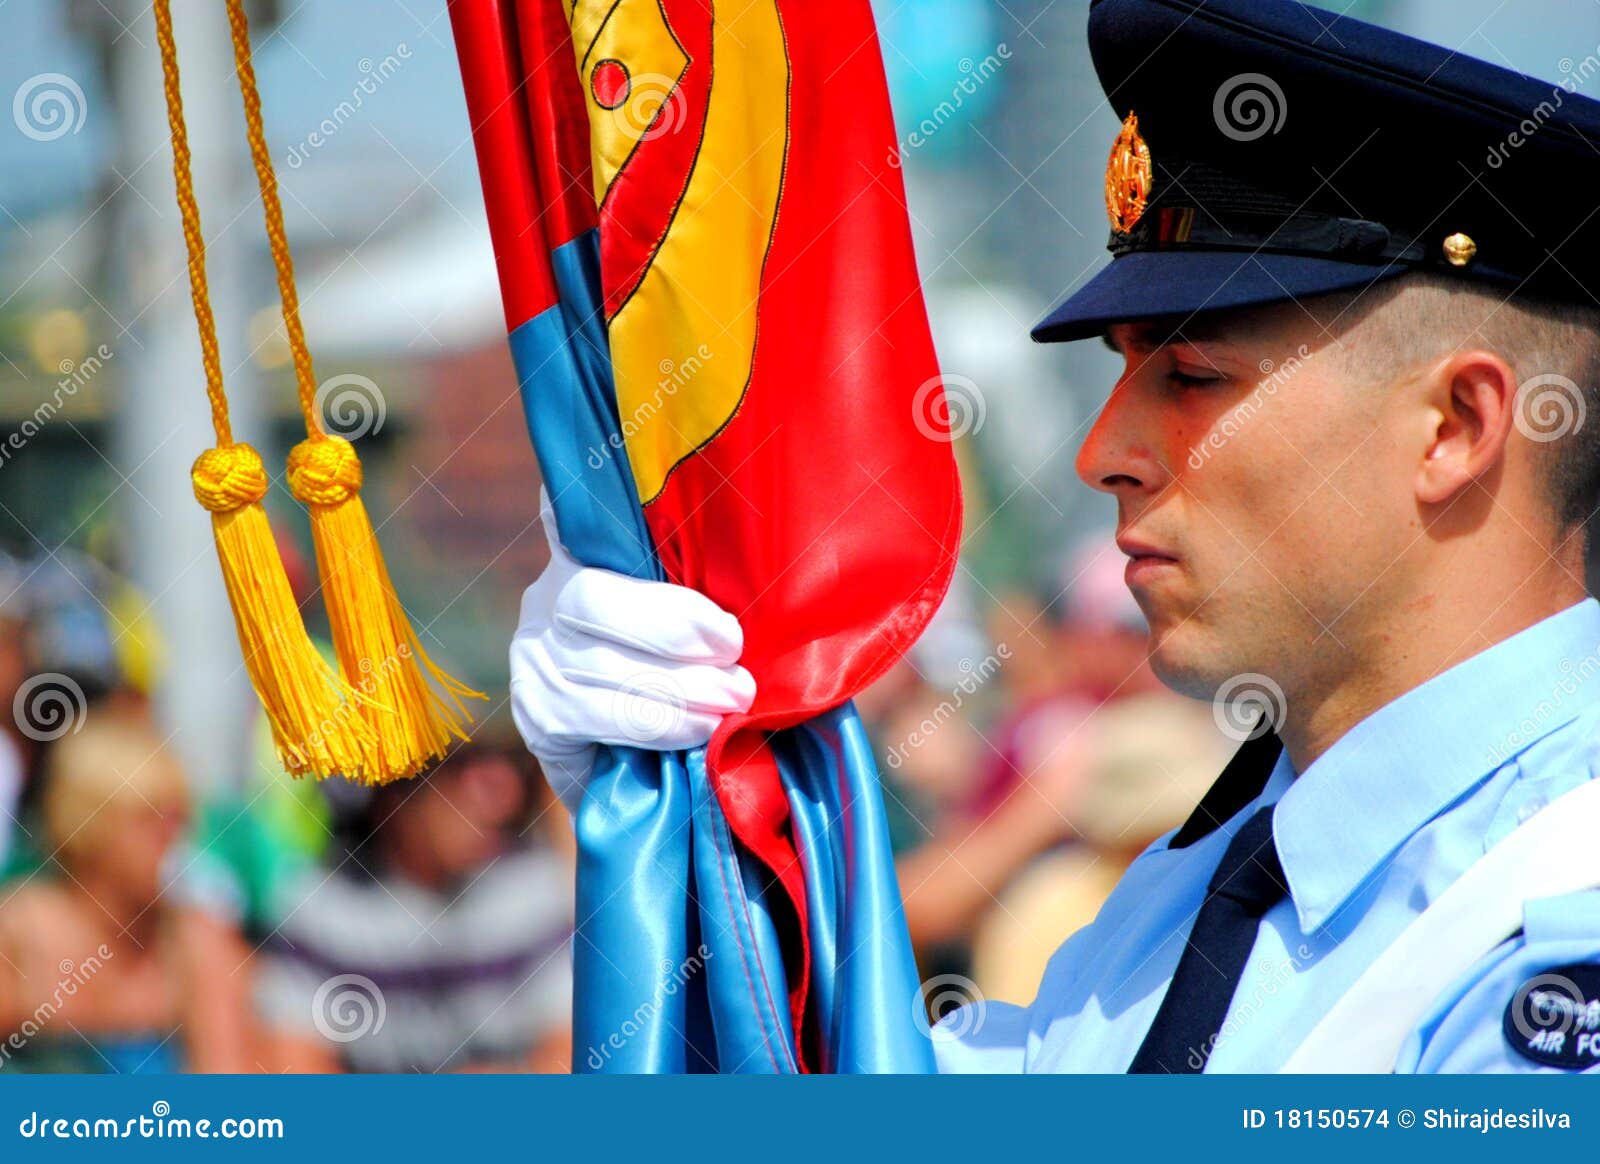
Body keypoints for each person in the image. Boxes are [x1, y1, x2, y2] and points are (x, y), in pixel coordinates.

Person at [508, 0, 1600, 1072]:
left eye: (1190, 374)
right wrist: (678, 815)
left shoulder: (1560, 916)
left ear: (1454, 428)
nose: (1103, 451)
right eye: (1125, 369)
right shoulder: (1197, 888)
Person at [255, 743, 573, 1073]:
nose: (506, 794)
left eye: (512, 760)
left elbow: (568, 1059)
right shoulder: (321, 908)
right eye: (461, 763)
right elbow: (295, 1073)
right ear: (393, 789)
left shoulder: (533, 888)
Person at [0, 709, 255, 1073]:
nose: (173, 842)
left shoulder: (197, 941)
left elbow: (227, 1089)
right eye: (151, 822)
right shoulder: (21, 935)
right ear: (89, 825)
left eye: (178, 821)